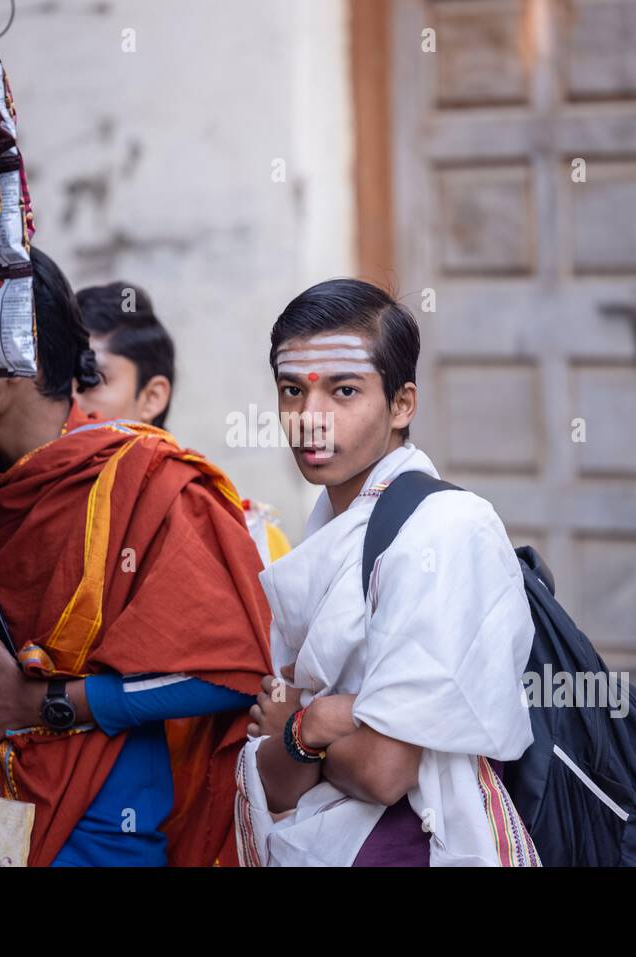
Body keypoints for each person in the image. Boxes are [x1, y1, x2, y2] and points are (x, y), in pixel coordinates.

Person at [0, 248, 272, 867]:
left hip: (100, 835)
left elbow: (229, 668)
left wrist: (40, 705)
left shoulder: (142, 478)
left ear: (14, 355)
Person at [233, 279, 540, 866]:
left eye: (344, 391)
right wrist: (317, 724)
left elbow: (382, 771)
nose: (309, 419)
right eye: (292, 391)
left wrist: (305, 722)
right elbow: (276, 782)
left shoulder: (447, 528)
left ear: (402, 405)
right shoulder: (329, 528)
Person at [74, 279, 292, 565]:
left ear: (152, 397)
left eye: (93, 379)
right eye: (57, 379)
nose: (70, 399)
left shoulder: (231, 531)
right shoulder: (18, 500)